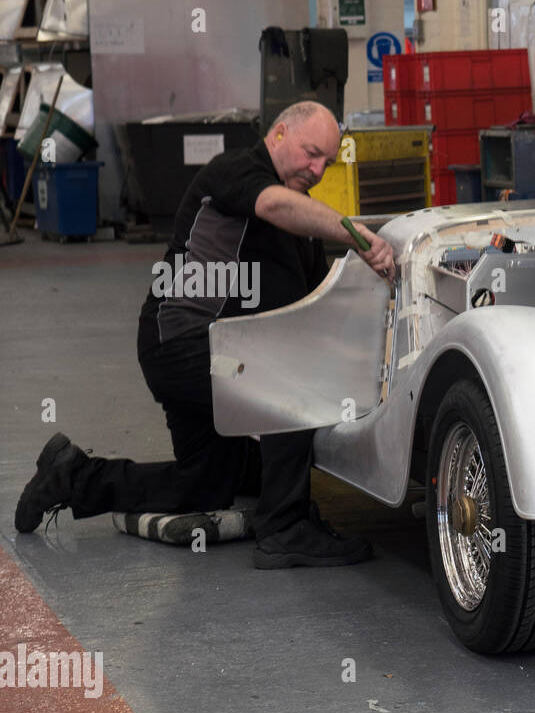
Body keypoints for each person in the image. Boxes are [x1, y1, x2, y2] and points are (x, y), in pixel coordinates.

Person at [14, 101, 396, 568]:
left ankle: (73, 477)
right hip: (183, 344)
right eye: (310, 153)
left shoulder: (302, 226)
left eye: (327, 162)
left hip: (212, 350)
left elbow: (320, 299)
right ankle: (286, 528)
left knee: (206, 484)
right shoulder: (237, 171)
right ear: (278, 135)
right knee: (290, 381)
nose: (317, 169)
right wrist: (358, 234)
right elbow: (274, 205)